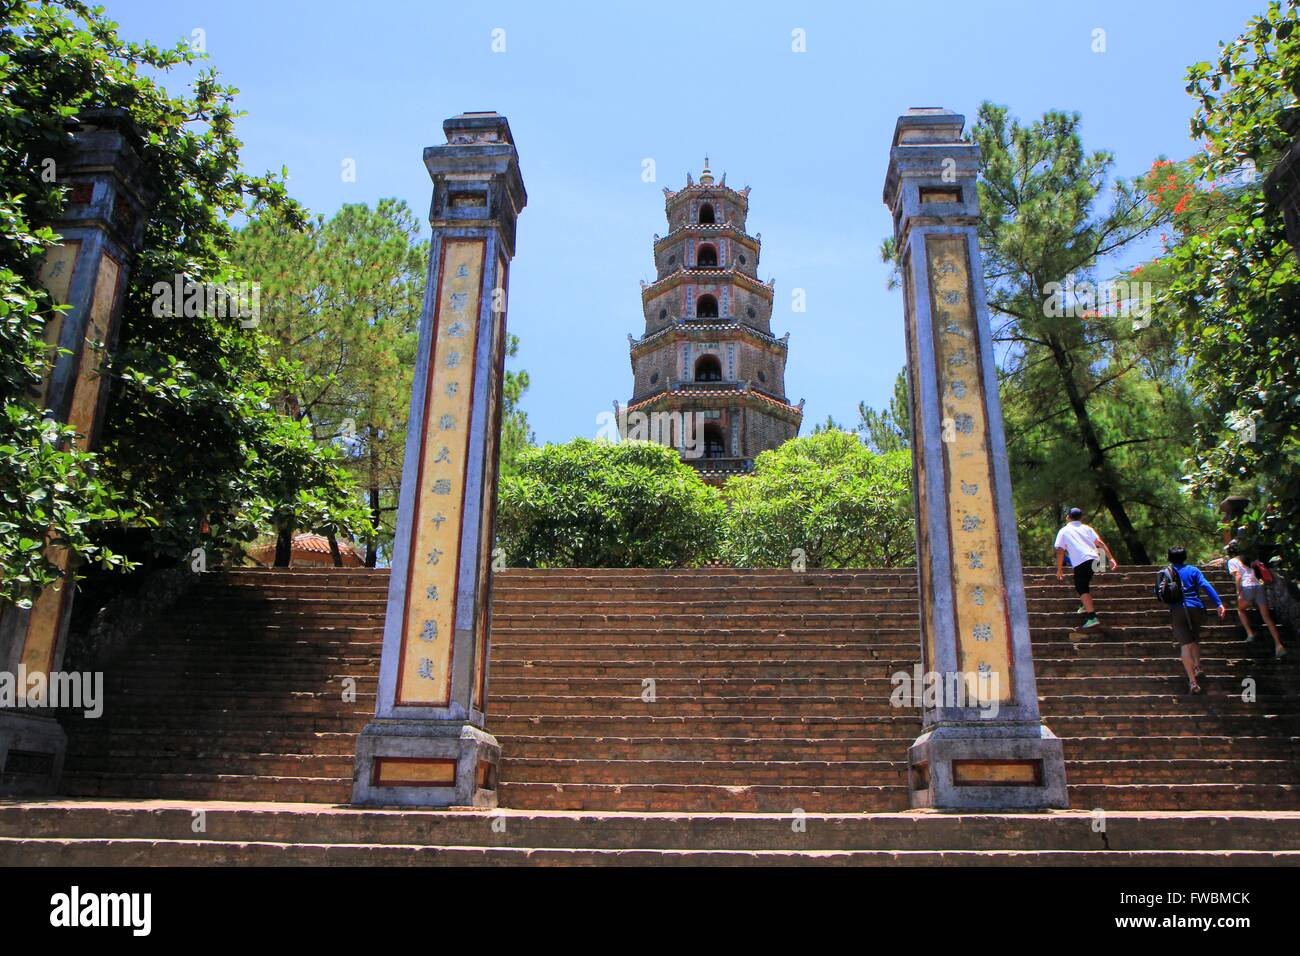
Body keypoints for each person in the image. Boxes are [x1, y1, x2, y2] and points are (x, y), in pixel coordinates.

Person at [1161, 546, 1227, 695]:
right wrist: (1218, 603)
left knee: (1185, 646)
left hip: (1177, 610)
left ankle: (1192, 682)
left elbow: (1158, 592)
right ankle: (1197, 666)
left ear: (1169, 558)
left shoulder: (1167, 572)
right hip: (1196, 608)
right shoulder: (1193, 570)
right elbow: (1205, 585)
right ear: (1185, 556)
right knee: (1195, 638)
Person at [1054, 508, 1120, 629]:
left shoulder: (1064, 531)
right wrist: (1110, 559)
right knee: (1084, 583)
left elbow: (1060, 550)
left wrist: (1059, 569)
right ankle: (1084, 605)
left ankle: (1092, 617)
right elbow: (1099, 543)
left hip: (1081, 561)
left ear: (1068, 517)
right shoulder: (1087, 528)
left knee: (1081, 587)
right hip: (1095, 559)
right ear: (1080, 518)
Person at [1226, 539, 1287, 659]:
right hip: (1258, 586)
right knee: (1267, 617)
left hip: (1247, 587)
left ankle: (1250, 633)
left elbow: (1238, 576)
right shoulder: (1249, 558)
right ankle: (1279, 645)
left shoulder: (1232, 561)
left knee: (1240, 609)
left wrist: (1239, 592)